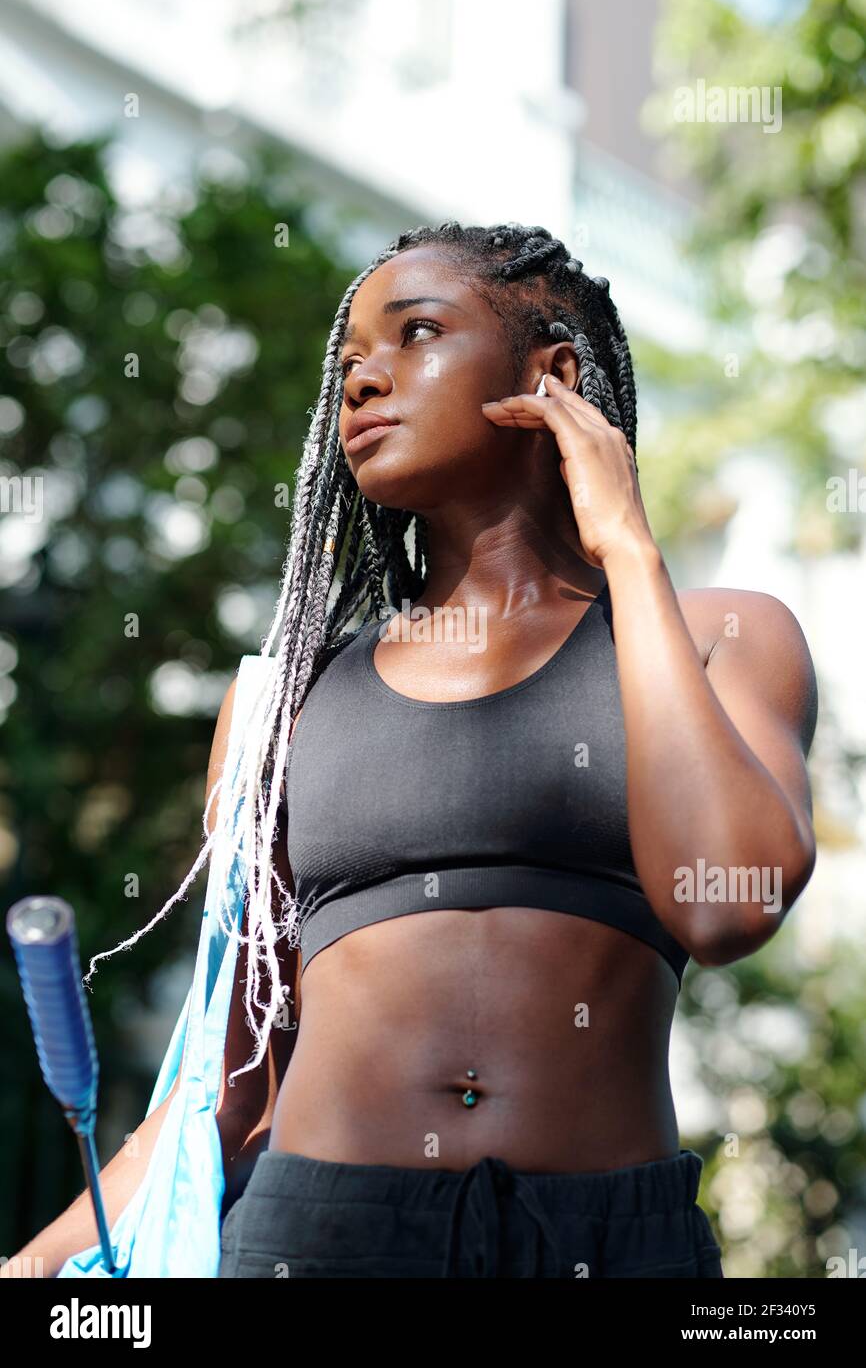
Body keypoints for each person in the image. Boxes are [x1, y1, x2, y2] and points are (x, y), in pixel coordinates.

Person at [8, 221, 818, 1280]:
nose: (360, 380)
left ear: (553, 379)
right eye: (347, 362)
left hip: (610, 1245)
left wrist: (624, 542)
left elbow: (725, 905)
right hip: (315, 1238)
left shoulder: (717, 632)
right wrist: (29, 1270)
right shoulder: (280, 705)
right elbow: (232, 1090)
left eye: (415, 334)